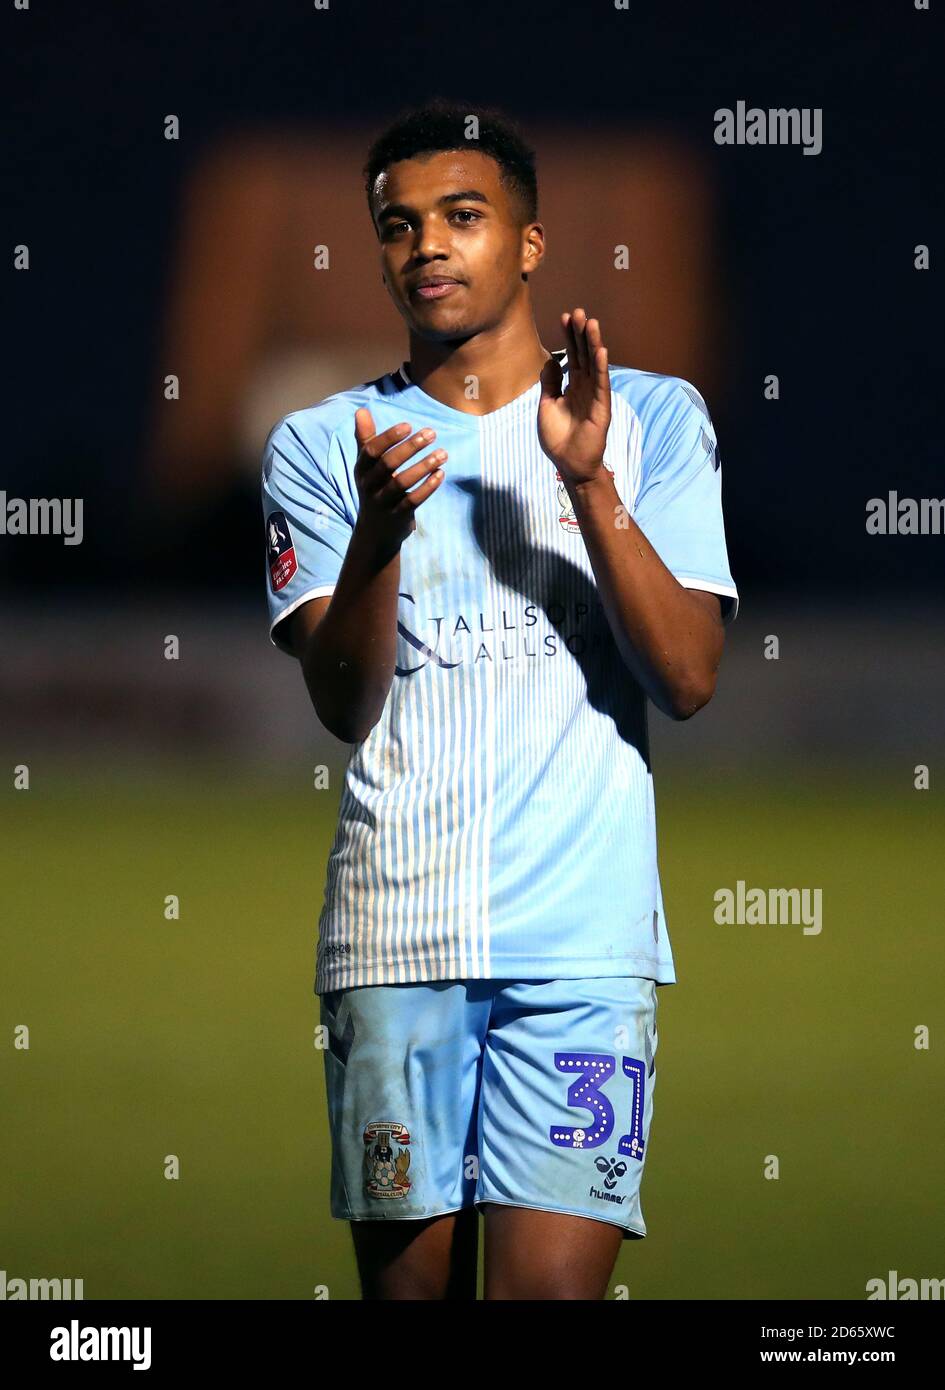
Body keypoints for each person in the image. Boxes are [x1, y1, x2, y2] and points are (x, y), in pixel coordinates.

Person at [261, 98, 738, 1300]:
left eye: (462, 216)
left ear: (528, 242)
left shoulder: (656, 420)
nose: (427, 244)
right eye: (399, 224)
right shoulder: (327, 444)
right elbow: (342, 701)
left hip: (584, 947)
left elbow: (685, 677)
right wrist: (377, 536)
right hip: (398, 934)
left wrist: (586, 484)